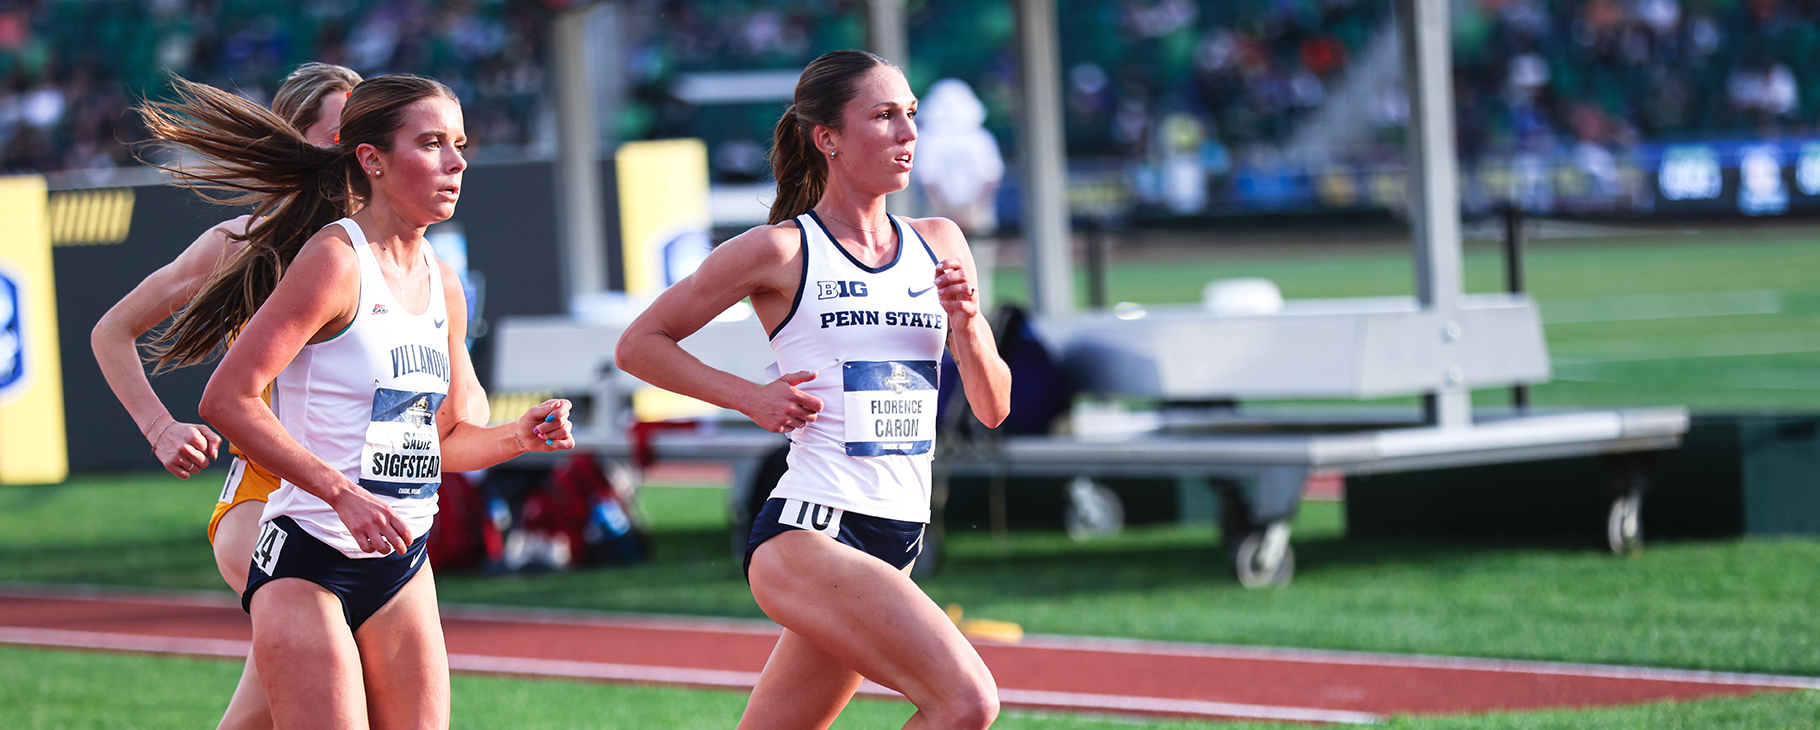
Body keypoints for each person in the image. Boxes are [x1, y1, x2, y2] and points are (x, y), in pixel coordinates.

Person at [140, 72, 574, 729]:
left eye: (459, 143)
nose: (456, 162)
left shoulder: (443, 284)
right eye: (431, 144)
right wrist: (340, 492)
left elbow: (443, 443)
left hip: (402, 564)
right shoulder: (334, 260)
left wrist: (521, 435)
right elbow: (227, 399)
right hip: (306, 558)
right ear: (371, 159)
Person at [616, 50, 1012, 730]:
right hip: (813, 531)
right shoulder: (782, 250)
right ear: (827, 137)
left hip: (899, 535)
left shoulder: (940, 241)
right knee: (967, 702)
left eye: (911, 115)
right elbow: (639, 345)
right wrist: (752, 398)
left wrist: (969, 325)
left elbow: (993, 406)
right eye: (884, 117)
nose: (908, 134)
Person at [93, 61, 360, 730]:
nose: (362, 147)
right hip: (263, 505)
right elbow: (112, 331)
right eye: (343, 131)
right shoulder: (239, 243)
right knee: (331, 674)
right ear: (298, 141)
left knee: (272, 709)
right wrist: (159, 427)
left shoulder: (382, 251)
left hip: (353, 503)